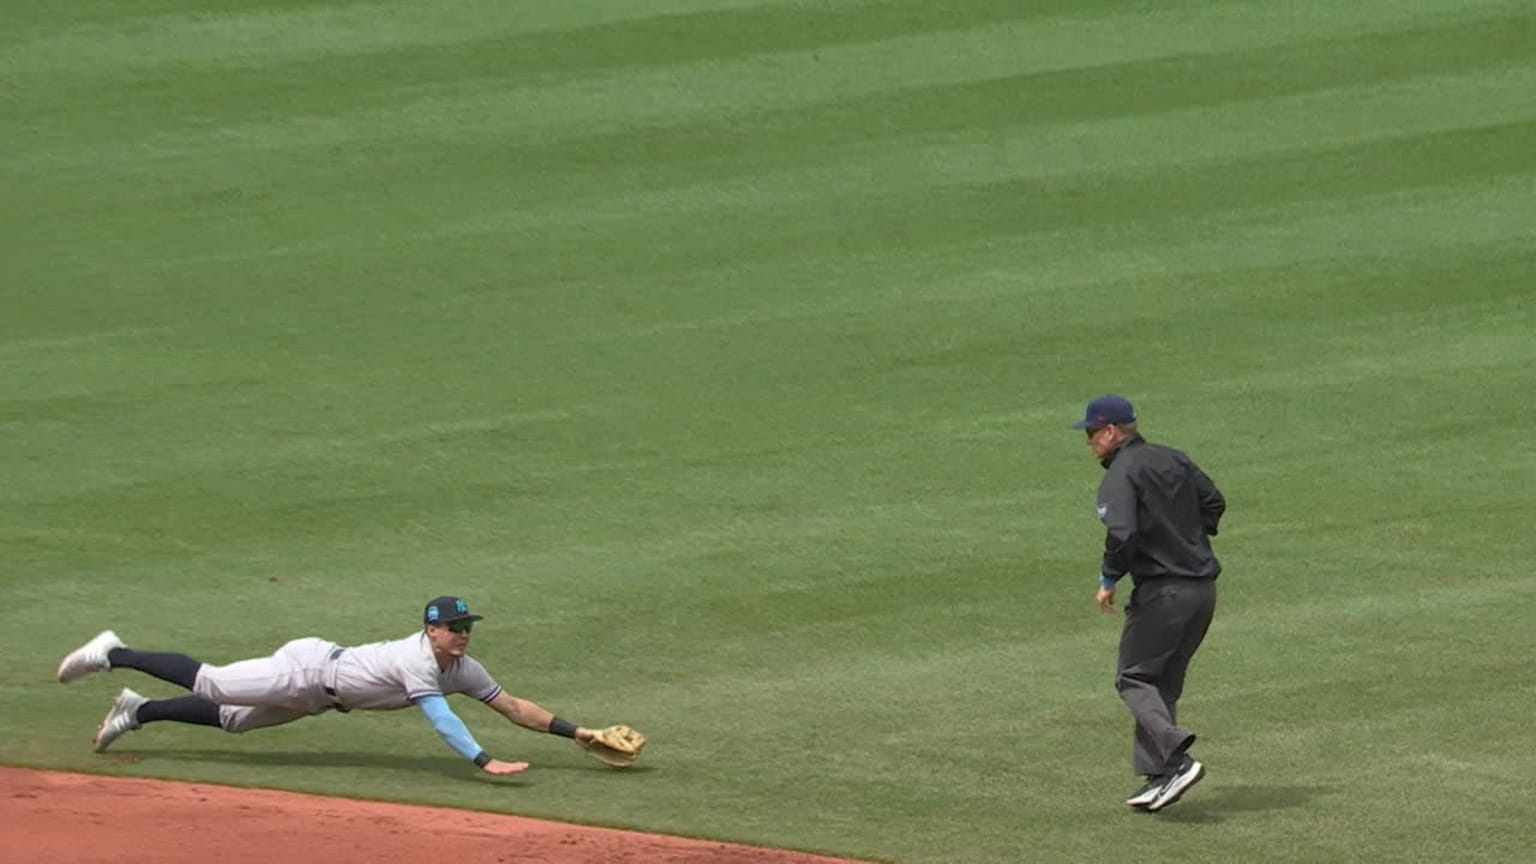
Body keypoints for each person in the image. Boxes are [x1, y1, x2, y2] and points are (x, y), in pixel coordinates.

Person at [57, 596, 616, 775]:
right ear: (432, 629)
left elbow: (514, 706)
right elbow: (442, 719)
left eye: (468, 628)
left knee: (229, 720)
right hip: (305, 669)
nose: (465, 636)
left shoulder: (463, 669)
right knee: (213, 684)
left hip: (317, 700)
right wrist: (482, 761)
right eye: (457, 628)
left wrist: (577, 733)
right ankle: (114, 652)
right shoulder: (416, 660)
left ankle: (139, 711)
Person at [1073, 395, 1225, 812]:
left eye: (1091, 433)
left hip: (1163, 594)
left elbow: (1121, 534)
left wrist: (1108, 578)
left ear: (1110, 431)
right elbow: (1214, 502)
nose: (1088, 443)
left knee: (1134, 678)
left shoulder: (1120, 474)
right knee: (1161, 683)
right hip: (1202, 591)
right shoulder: (1172, 458)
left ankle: (1176, 758)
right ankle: (1160, 773)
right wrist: (1187, 538)